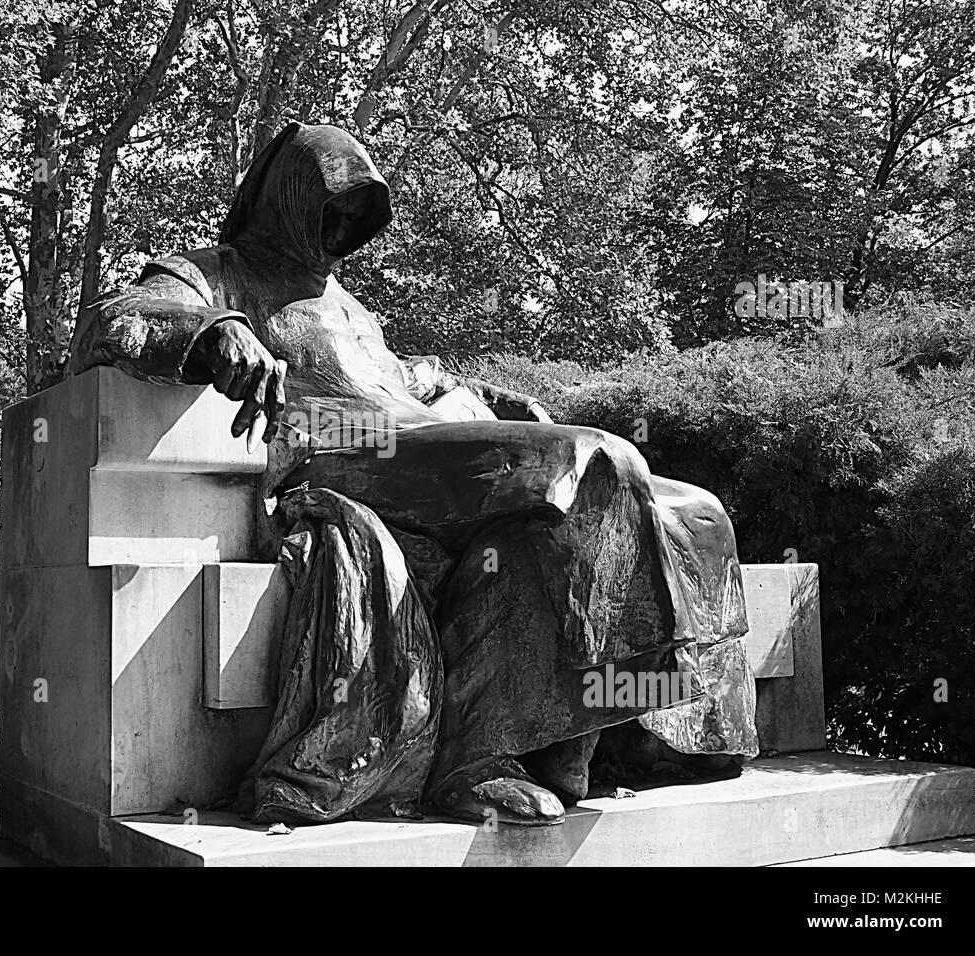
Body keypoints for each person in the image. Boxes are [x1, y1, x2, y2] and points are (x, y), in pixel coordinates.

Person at [70, 121, 757, 825]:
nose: (339, 223)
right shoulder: (216, 271)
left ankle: (652, 732)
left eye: (354, 212)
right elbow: (113, 319)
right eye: (327, 204)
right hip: (340, 455)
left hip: (422, 448)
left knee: (695, 511)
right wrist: (214, 331)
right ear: (284, 199)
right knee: (595, 459)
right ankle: (474, 756)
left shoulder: (351, 307)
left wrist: (493, 397)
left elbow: (407, 380)